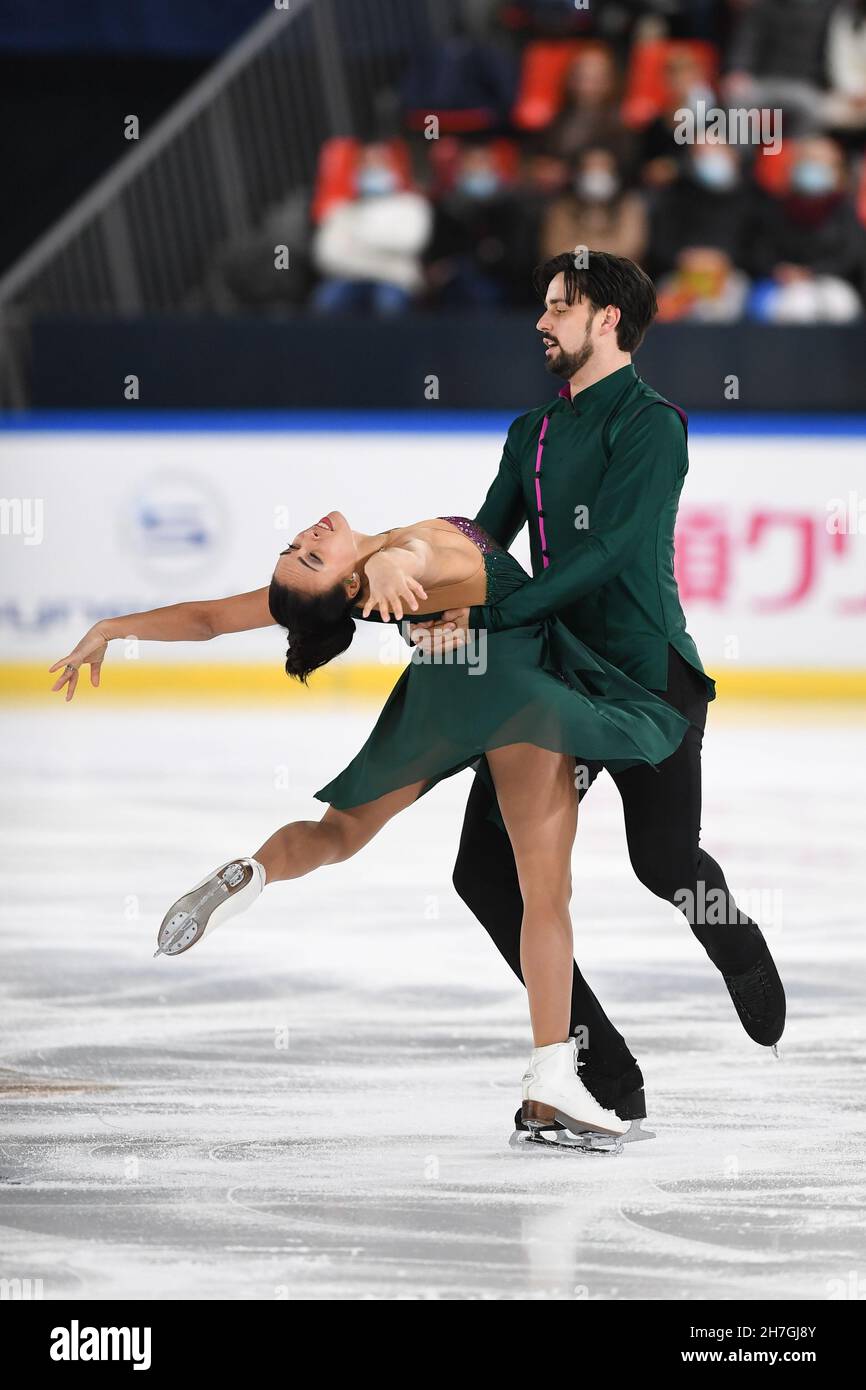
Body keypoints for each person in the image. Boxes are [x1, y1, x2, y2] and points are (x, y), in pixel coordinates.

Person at [49, 509, 691, 1145]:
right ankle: (551, 1080)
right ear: (350, 589)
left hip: (443, 694)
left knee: (338, 835)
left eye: (295, 545)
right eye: (309, 556)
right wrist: (386, 563)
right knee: (544, 894)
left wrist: (111, 627)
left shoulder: (360, 583)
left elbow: (211, 619)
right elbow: (416, 558)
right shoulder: (390, 564)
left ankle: (257, 870)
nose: (308, 536)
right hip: (517, 696)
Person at [408, 251, 786, 1129]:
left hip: (647, 677)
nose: (540, 322)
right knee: (484, 875)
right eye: (541, 307)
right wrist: (416, 580)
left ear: (607, 319)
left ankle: (734, 940)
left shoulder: (655, 425)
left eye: (558, 307)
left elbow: (609, 550)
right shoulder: (530, 433)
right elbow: (484, 544)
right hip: (553, 683)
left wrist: (491, 620)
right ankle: (598, 1068)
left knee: (663, 864)